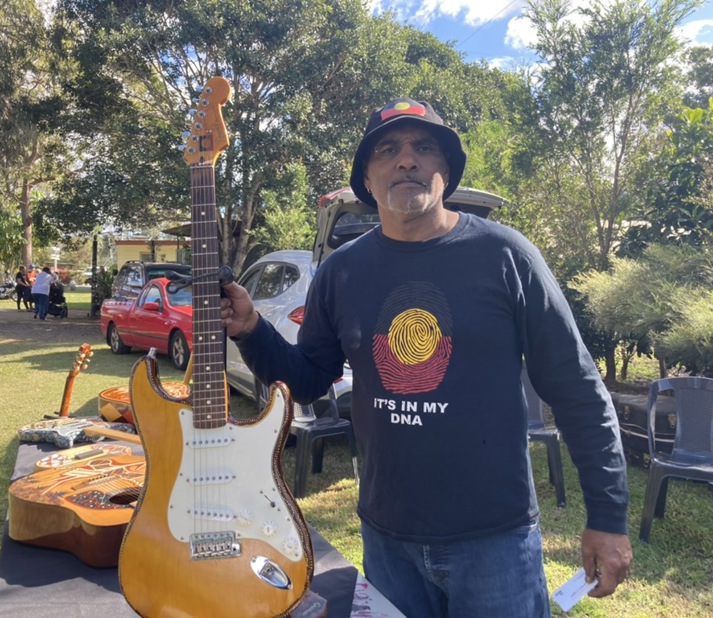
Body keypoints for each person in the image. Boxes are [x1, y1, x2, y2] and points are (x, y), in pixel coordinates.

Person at [221, 98, 632, 617]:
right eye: (388, 150)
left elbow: (577, 390)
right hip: (387, 538)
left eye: (424, 147)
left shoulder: (507, 256)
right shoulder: (342, 273)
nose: (407, 160)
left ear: (446, 170)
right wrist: (252, 330)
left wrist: (608, 517)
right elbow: (308, 379)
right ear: (367, 181)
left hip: (495, 541)